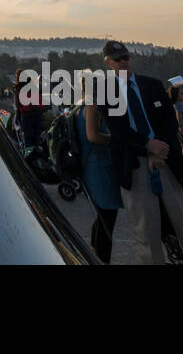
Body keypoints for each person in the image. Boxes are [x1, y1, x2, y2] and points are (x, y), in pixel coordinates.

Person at [100, 40, 183, 264]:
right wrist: (147, 146)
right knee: (146, 234)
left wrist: (158, 150)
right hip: (135, 165)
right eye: (118, 59)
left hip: (168, 159)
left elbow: (169, 121)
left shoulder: (151, 85)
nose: (123, 62)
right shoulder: (104, 92)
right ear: (108, 63)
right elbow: (118, 130)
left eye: (126, 57)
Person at [80, 101, 122, 262]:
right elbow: (93, 136)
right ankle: (101, 259)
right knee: (107, 222)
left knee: (102, 218)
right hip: (100, 170)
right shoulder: (91, 106)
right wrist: (115, 140)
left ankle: (94, 254)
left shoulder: (80, 106)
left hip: (93, 168)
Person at [15, 69, 48, 149]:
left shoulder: (18, 88)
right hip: (37, 114)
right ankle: (40, 155)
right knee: (38, 138)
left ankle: (30, 156)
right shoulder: (32, 85)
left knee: (28, 140)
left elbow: (17, 104)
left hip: (26, 115)